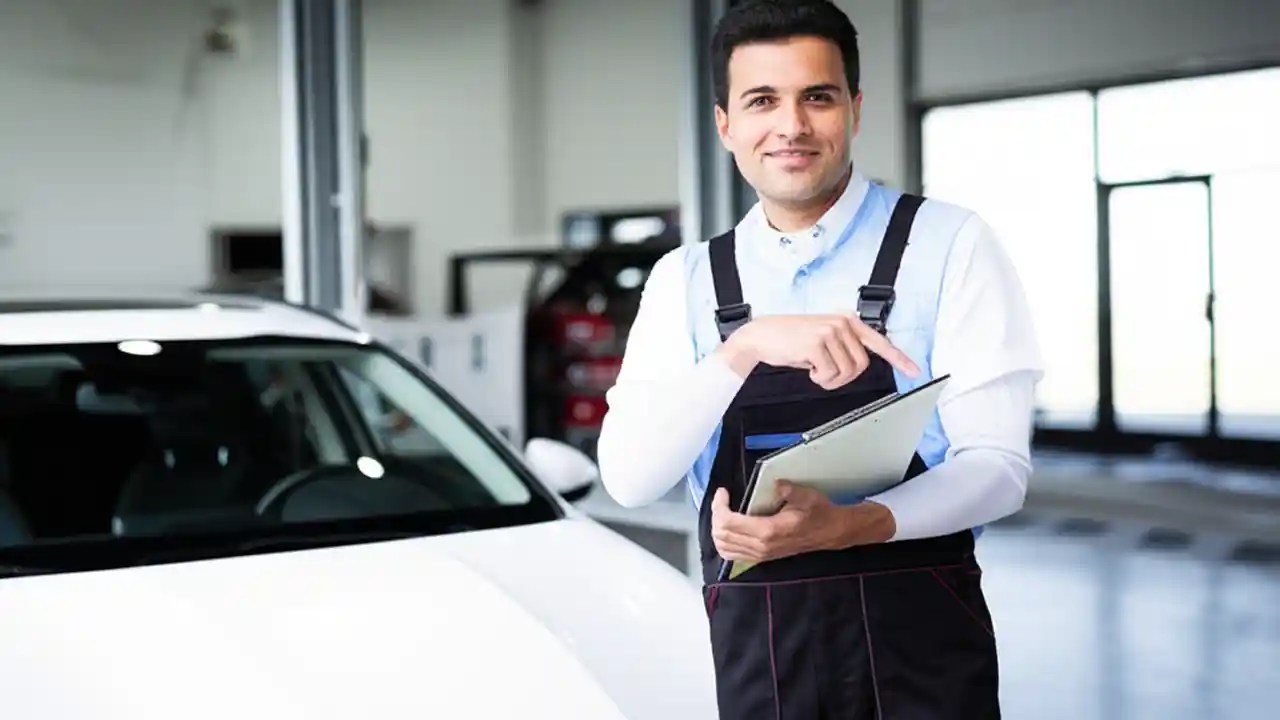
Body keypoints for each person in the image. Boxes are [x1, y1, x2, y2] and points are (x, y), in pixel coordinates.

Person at [595, 0, 1043, 718]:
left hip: (921, 652)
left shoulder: (951, 245)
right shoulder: (685, 280)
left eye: (818, 97)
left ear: (855, 109)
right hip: (762, 659)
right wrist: (741, 351)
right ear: (725, 124)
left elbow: (998, 470)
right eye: (762, 100)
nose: (792, 126)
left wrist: (850, 522)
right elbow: (629, 479)